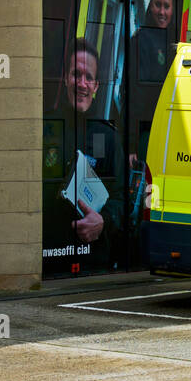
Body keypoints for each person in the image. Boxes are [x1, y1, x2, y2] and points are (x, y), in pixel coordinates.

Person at [43, 40, 122, 266]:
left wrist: (103, 221)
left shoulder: (107, 137)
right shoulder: (47, 128)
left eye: (88, 77)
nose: (82, 83)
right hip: (50, 257)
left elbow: (121, 199)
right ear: (65, 78)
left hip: (92, 261)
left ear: (96, 86)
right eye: (76, 74)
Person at [131, 0, 175, 83]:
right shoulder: (140, 39)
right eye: (158, 5)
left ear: (172, 9)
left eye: (167, 6)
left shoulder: (177, 40)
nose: (162, 12)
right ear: (151, 6)